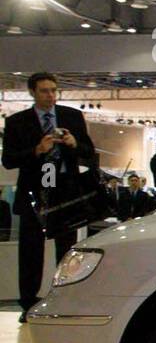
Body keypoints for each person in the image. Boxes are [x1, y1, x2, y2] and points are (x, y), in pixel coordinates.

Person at [2, 71, 98, 322]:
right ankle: (28, 303)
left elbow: (90, 153)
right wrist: (37, 150)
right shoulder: (17, 122)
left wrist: (74, 143)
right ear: (33, 92)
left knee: (67, 251)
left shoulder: (72, 117)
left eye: (54, 90)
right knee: (30, 252)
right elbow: (9, 160)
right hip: (35, 190)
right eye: (45, 91)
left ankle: (66, 298)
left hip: (65, 190)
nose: (51, 96)